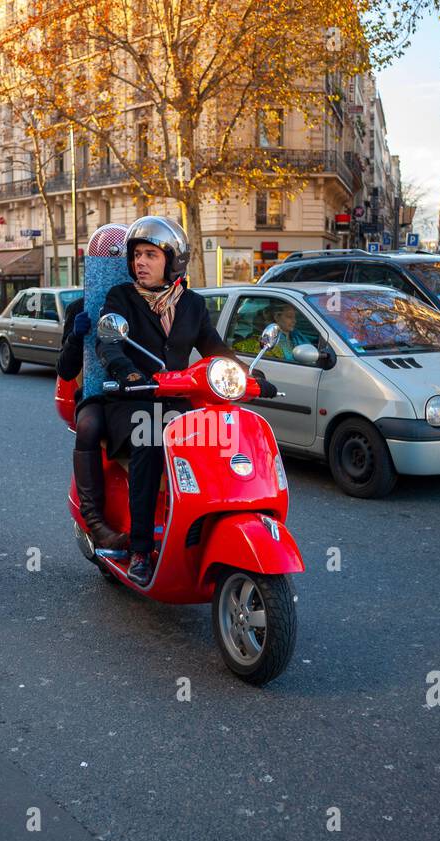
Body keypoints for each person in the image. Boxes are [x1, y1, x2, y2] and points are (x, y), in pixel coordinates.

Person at [97, 216, 276, 586]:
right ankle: (142, 550)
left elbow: (213, 347)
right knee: (149, 441)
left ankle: (209, 524)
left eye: (149, 254)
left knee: (220, 434)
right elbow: (109, 343)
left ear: (172, 260)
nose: (139, 263)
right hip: (132, 401)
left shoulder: (192, 304)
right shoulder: (122, 298)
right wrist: (128, 374)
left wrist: (247, 374)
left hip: (176, 402)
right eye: (136, 255)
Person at [56, 296, 127, 551]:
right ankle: (95, 521)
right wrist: (76, 336)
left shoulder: (138, 299)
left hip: (145, 392)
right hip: (98, 395)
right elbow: (65, 369)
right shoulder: (79, 307)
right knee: (88, 426)